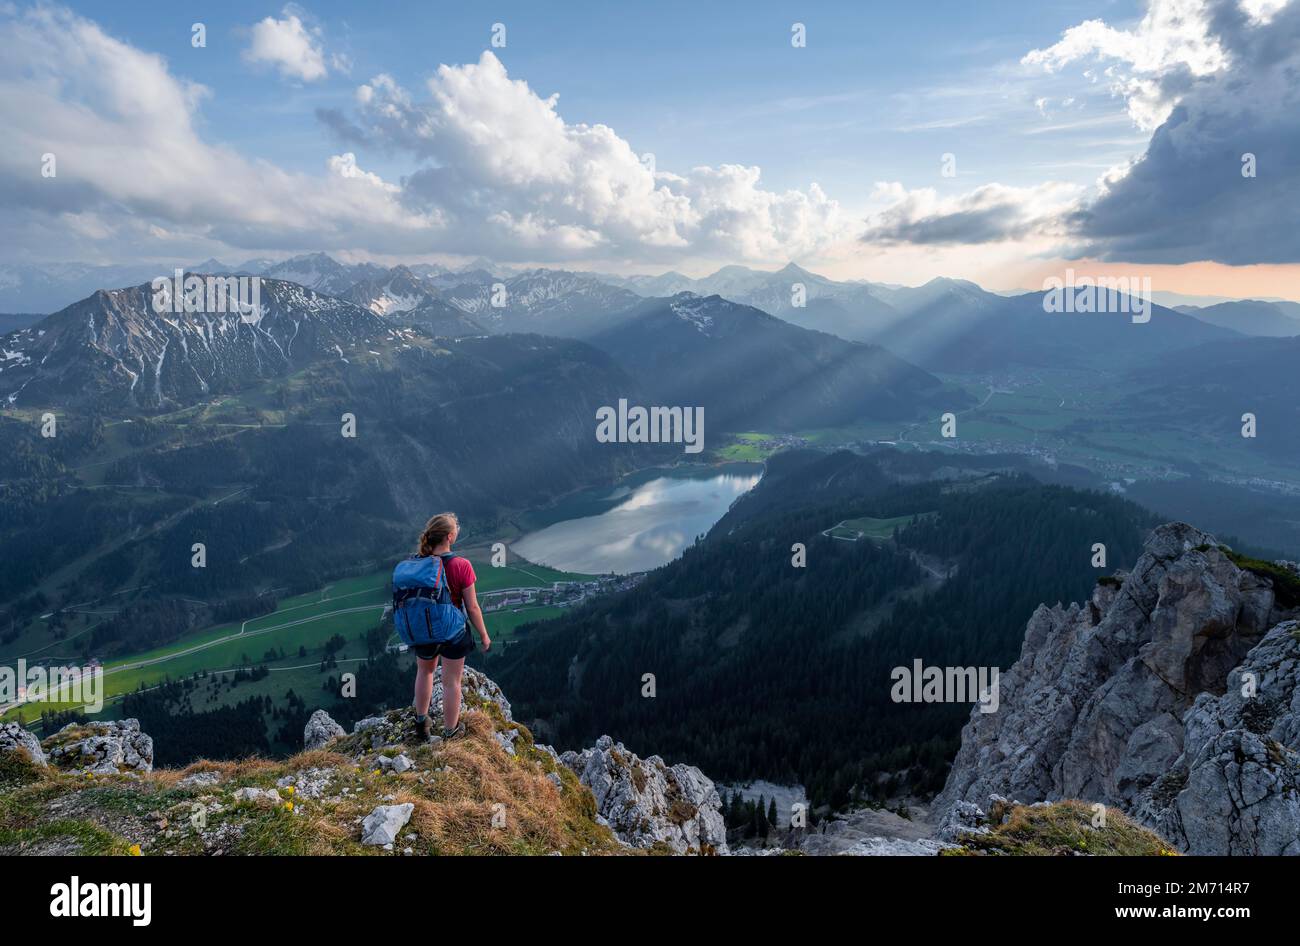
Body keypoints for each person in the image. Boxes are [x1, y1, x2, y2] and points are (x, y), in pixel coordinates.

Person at [409, 512, 491, 742]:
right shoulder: (461, 565)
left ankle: (421, 722)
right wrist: (484, 635)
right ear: (449, 536)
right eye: (455, 529)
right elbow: (472, 607)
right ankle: (450, 731)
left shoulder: (418, 563)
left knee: (425, 671)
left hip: (425, 629)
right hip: (453, 632)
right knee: (451, 682)